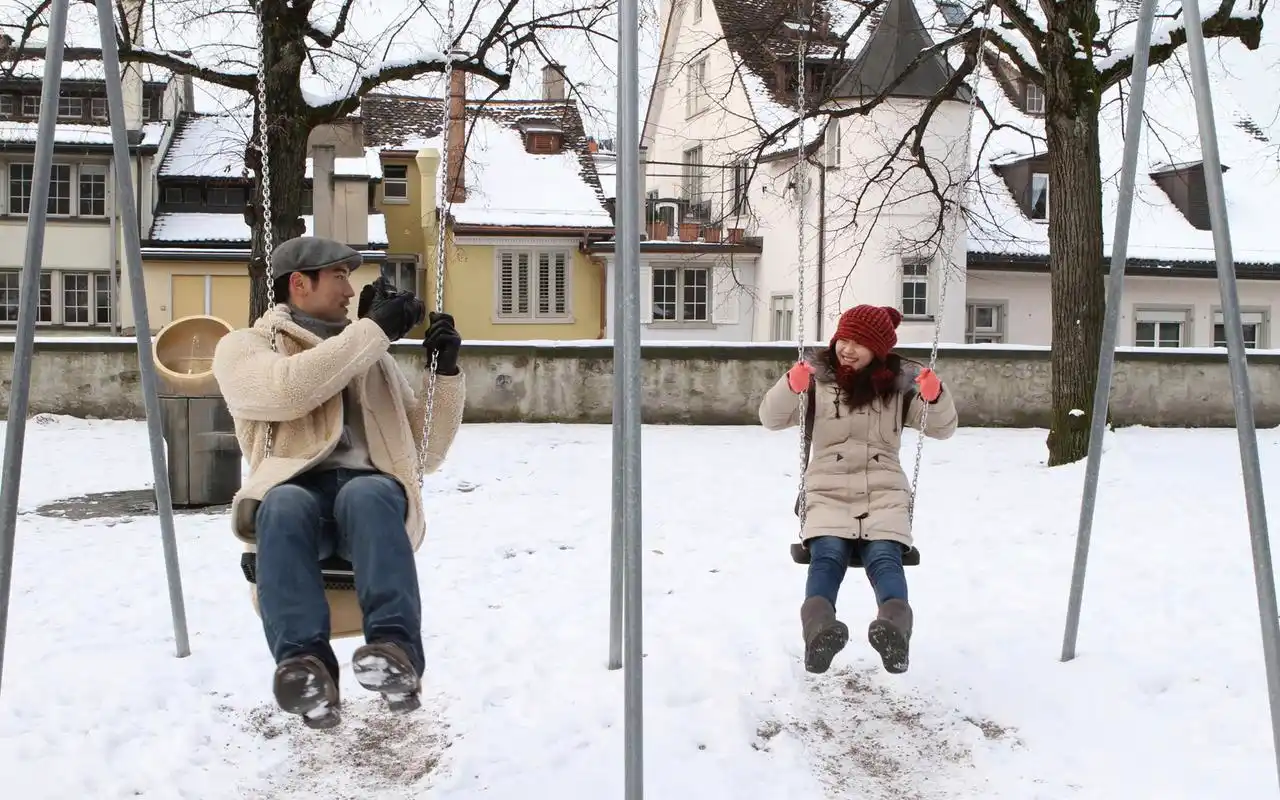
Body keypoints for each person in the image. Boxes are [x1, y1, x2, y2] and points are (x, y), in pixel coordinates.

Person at [212, 236, 465, 729]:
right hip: (297, 500)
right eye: (339, 276)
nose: (351, 290)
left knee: (367, 493)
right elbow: (288, 391)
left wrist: (445, 373)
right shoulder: (245, 347)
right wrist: (372, 333)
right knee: (282, 504)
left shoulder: (373, 356)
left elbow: (425, 454)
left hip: (368, 506)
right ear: (299, 283)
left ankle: (396, 654)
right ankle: (305, 670)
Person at [759, 304, 957, 676]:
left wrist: (936, 395)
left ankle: (894, 630)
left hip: (885, 489)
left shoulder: (898, 387)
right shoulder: (816, 380)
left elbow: (942, 428)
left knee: (885, 555)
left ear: (878, 350)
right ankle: (819, 630)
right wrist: (790, 386)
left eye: (859, 343)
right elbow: (770, 418)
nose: (847, 349)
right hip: (827, 487)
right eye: (843, 340)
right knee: (827, 553)